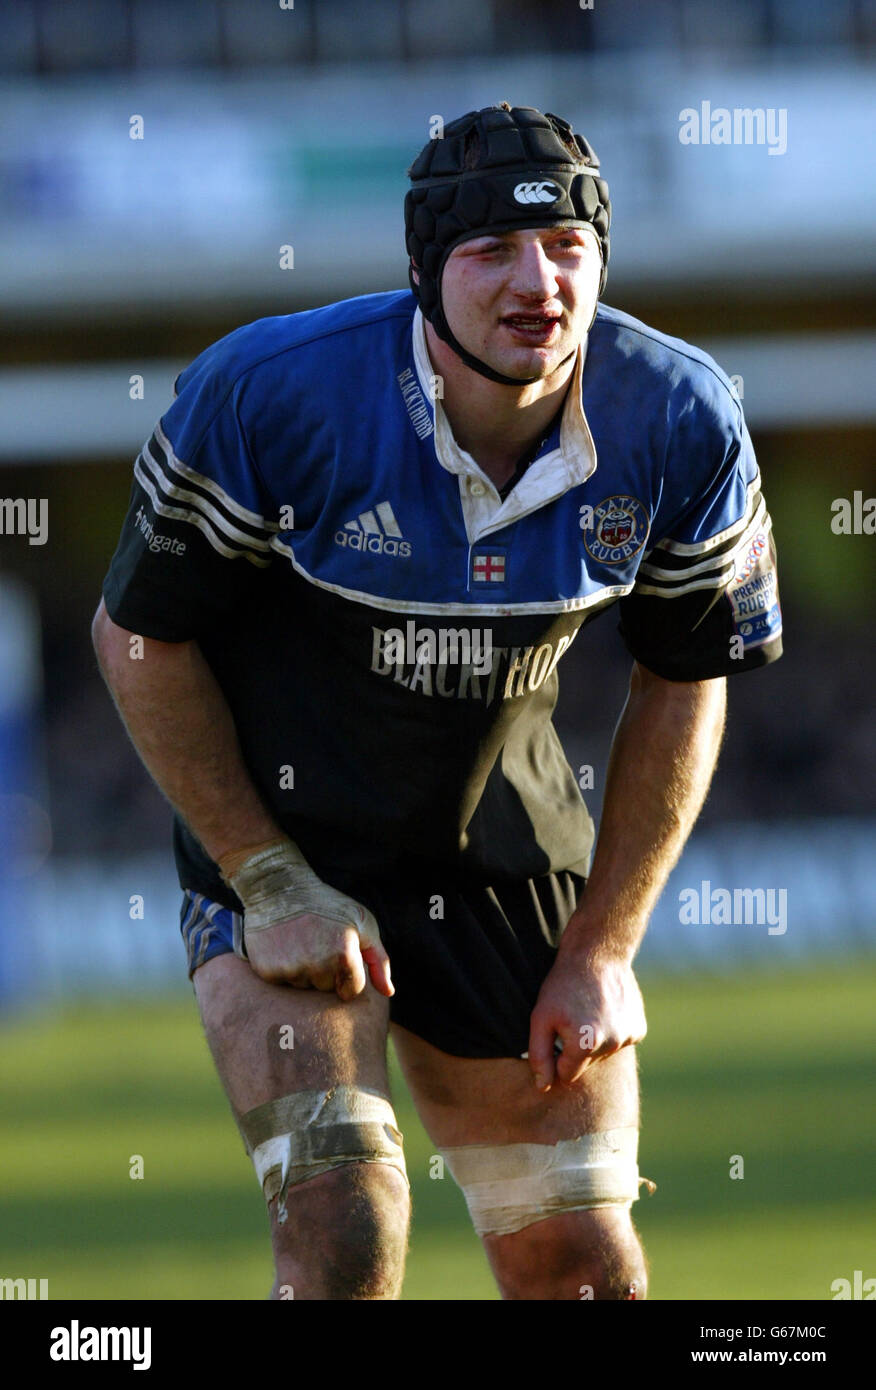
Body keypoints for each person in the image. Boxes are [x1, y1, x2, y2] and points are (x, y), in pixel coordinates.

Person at [92, 103, 783, 1301]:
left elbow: (687, 673)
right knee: (345, 1228)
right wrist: (264, 874)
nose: (538, 283)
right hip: (290, 847)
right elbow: (140, 635)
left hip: (506, 859)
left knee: (579, 1266)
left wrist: (604, 949)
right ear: (424, 270)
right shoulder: (271, 395)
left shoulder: (680, 417)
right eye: (491, 253)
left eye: (569, 247)